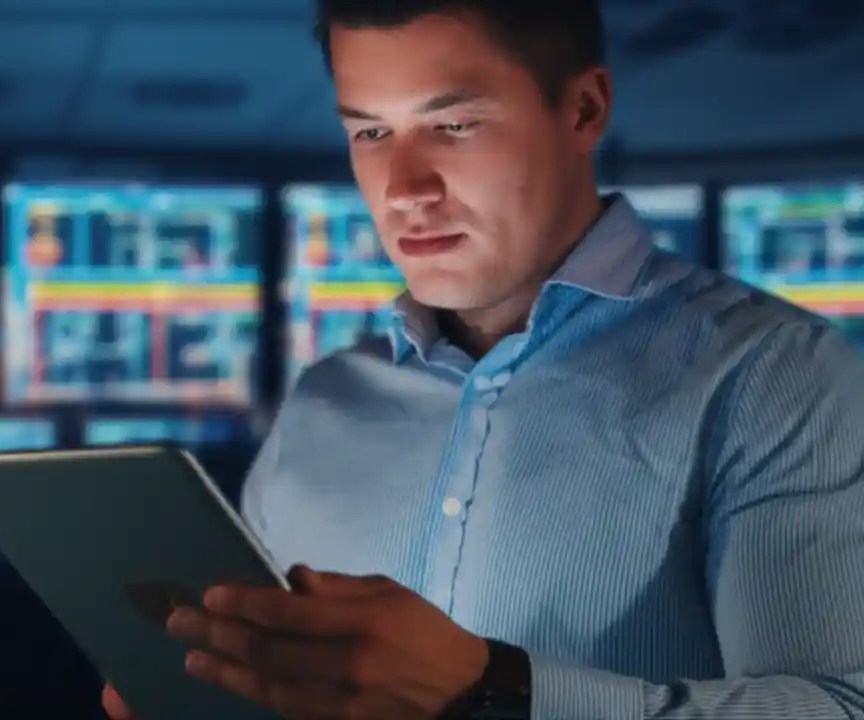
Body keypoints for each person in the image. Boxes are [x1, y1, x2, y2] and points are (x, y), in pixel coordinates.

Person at [105, 0, 864, 717]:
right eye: (371, 134)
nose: (404, 190)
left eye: (454, 124)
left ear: (583, 110)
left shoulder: (772, 374)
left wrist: (493, 692)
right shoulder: (322, 401)